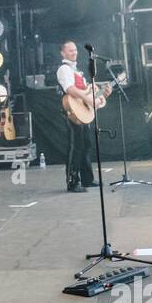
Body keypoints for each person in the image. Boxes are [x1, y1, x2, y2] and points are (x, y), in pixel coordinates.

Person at [56, 40, 98, 191]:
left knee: (86, 145)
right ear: (63, 53)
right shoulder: (64, 69)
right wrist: (87, 99)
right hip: (72, 113)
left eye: (75, 50)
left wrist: (101, 94)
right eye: (70, 50)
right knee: (76, 147)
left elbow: (84, 91)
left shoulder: (76, 71)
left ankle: (87, 179)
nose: (74, 52)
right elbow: (69, 89)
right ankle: (73, 181)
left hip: (81, 112)